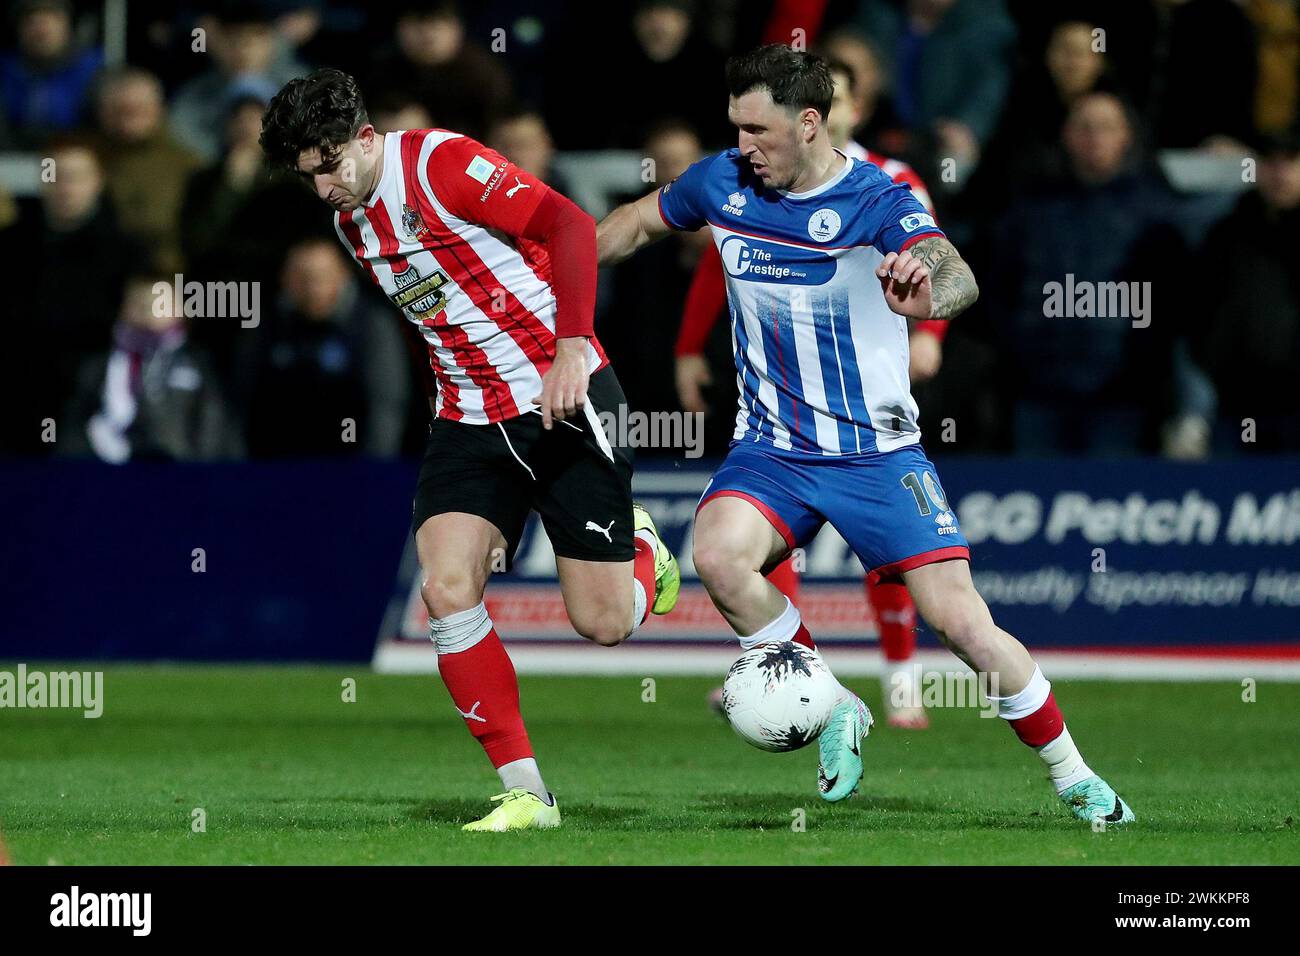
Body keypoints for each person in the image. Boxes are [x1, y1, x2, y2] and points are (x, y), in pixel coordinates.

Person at [597, 45, 1133, 826]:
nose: (742, 145)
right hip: (772, 448)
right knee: (716, 556)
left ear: (808, 123)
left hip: (876, 453)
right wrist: (557, 260)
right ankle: (837, 702)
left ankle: (1074, 774)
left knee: (961, 624)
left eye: (758, 129)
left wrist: (924, 297)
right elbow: (636, 223)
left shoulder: (877, 200)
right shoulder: (721, 181)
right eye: (735, 127)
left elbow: (957, 277)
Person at [259, 68, 680, 831]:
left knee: (605, 622)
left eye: (328, 168)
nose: (322, 189)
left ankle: (645, 556)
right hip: (468, 421)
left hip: (562, 398)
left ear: (361, 138)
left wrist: (573, 347)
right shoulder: (351, 223)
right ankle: (530, 793)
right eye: (307, 177)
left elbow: (571, 228)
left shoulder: (441, 164)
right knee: (445, 588)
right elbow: (435, 318)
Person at [677, 58, 945, 729]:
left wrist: (928, 329)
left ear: (825, 115)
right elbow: (718, 259)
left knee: (889, 550)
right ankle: (794, 677)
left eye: (852, 98)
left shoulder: (890, 184)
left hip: (868, 395)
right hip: (776, 405)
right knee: (757, 540)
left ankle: (902, 675)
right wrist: (687, 345)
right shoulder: (751, 179)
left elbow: (931, 259)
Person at [58, 272, 243, 463]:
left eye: (160, 302)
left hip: (182, 478)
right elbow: (73, 427)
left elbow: (217, 425)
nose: (149, 310)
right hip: (106, 476)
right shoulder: (97, 367)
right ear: (123, 307)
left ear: (180, 309)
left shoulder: (200, 364)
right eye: (139, 302)